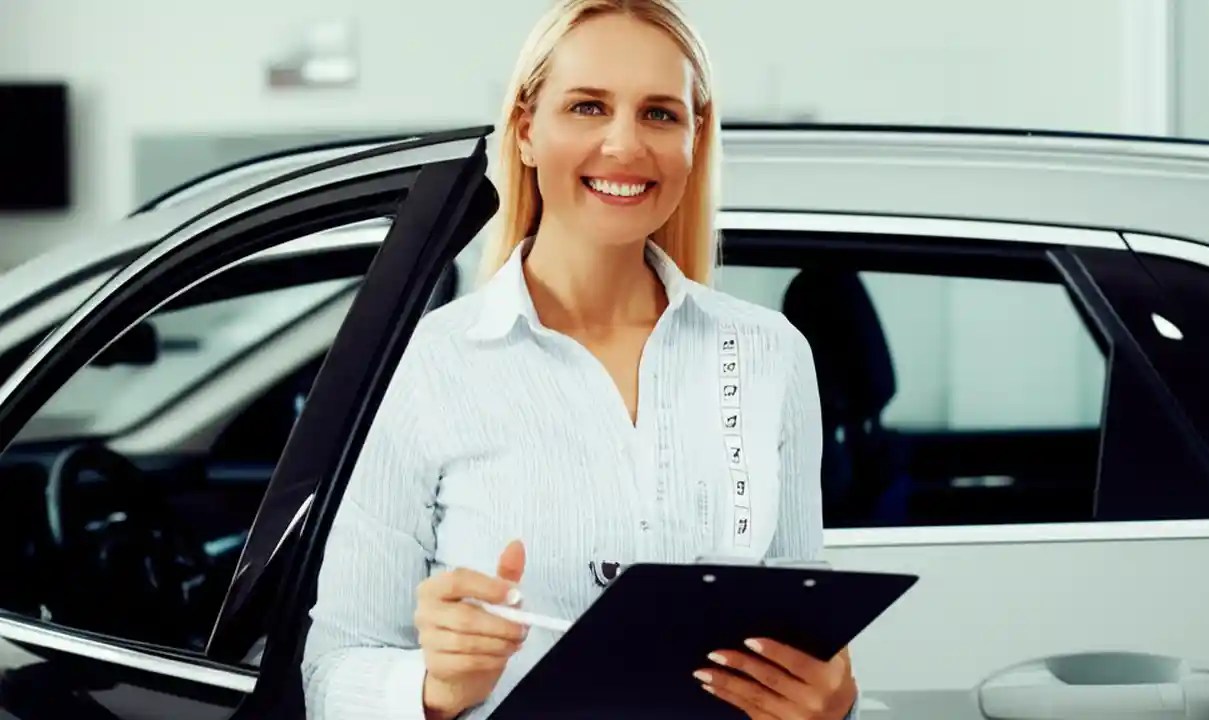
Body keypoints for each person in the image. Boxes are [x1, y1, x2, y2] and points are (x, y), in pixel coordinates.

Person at [301, 1, 860, 718]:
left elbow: (794, 638)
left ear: (696, 139)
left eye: (660, 114)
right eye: (589, 106)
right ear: (527, 131)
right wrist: (433, 690)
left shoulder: (768, 354)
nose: (625, 145)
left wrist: (831, 703)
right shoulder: (427, 366)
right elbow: (331, 677)